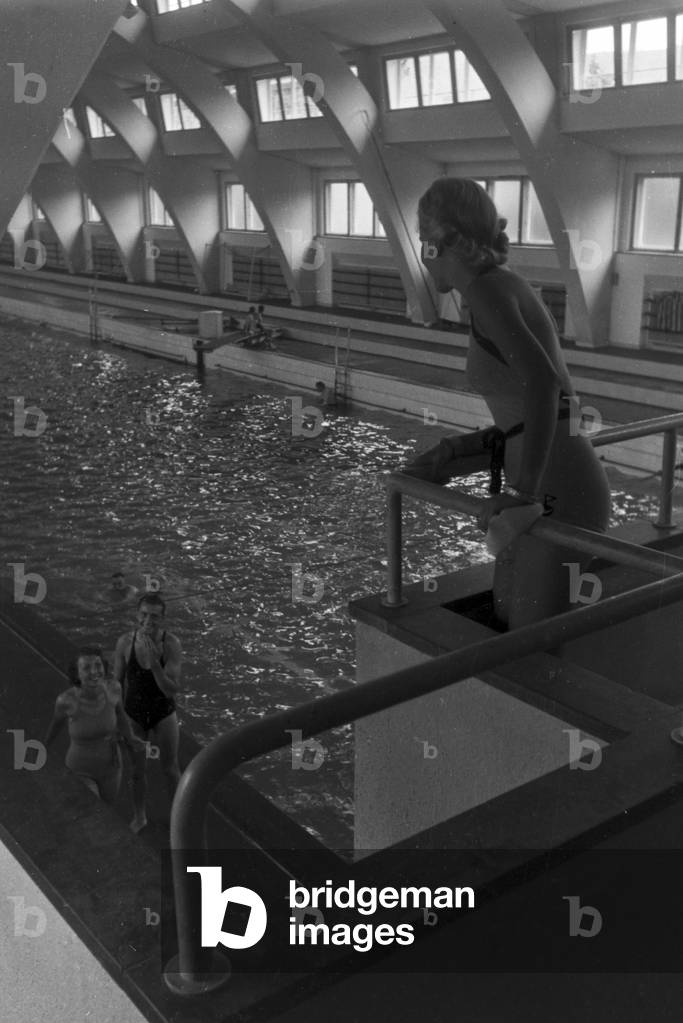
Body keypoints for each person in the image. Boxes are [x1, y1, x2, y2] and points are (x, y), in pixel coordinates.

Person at [408, 177, 611, 630]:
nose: (424, 258)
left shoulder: (486, 291)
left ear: (446, 243)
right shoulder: (496, 288)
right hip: (551, 480)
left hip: (553, 488)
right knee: (508, 620)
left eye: (425, 243)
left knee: (530, 644)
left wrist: (521, 494)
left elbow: (544, 386)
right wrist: (453, 453)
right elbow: (524, 413)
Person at [113, 593, 182, 833]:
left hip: (164, 713)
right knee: (137, 770)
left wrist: (155, 664)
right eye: (143, 614)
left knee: (171, 769)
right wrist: (118, 719)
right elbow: (117, 684)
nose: (148, 620)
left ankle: (178, 818)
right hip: (134, 713)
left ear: (162, 619)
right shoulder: (125, 642)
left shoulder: (171, 644)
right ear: (136, 615)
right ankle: (140, 815)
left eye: (154, 616)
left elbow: (170, 690)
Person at [44, 645, 145, 804]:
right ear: (77, 673)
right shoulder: (66, 701)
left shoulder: (114, 689)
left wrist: (130, 737)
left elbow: (120, 714)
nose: (94, 672)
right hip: (80, 769)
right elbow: (55, 725)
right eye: (86, 668)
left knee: (107, 810)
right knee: (92, 807)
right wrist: (44, 749)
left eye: (98, 665)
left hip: (112, 768)